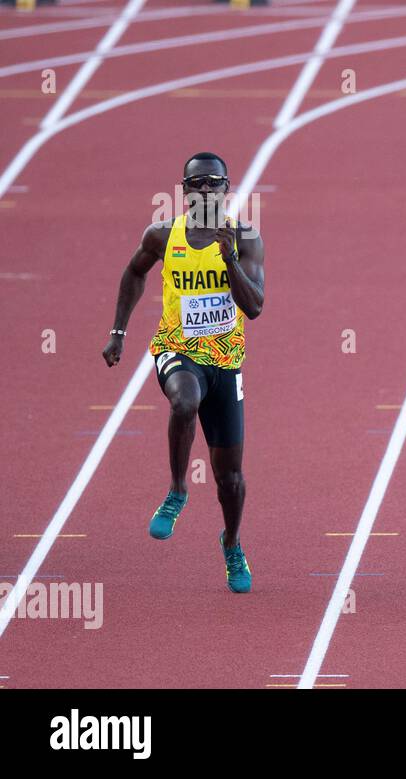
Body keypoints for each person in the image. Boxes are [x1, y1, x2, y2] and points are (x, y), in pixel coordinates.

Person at [102, 151, 265, 592]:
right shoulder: (162, 235)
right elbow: (133, 273)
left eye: (216, 183)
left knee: (230, 478)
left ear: (227, 188)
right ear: (186, 190)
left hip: (225, 360)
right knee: (184, 400)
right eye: (199, 183)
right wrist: (119, 330)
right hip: (176, 349)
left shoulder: (245, 238)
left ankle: (231, 543)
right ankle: (177, 491)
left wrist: (229, 260)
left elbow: (254, 308)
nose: (207, 190)